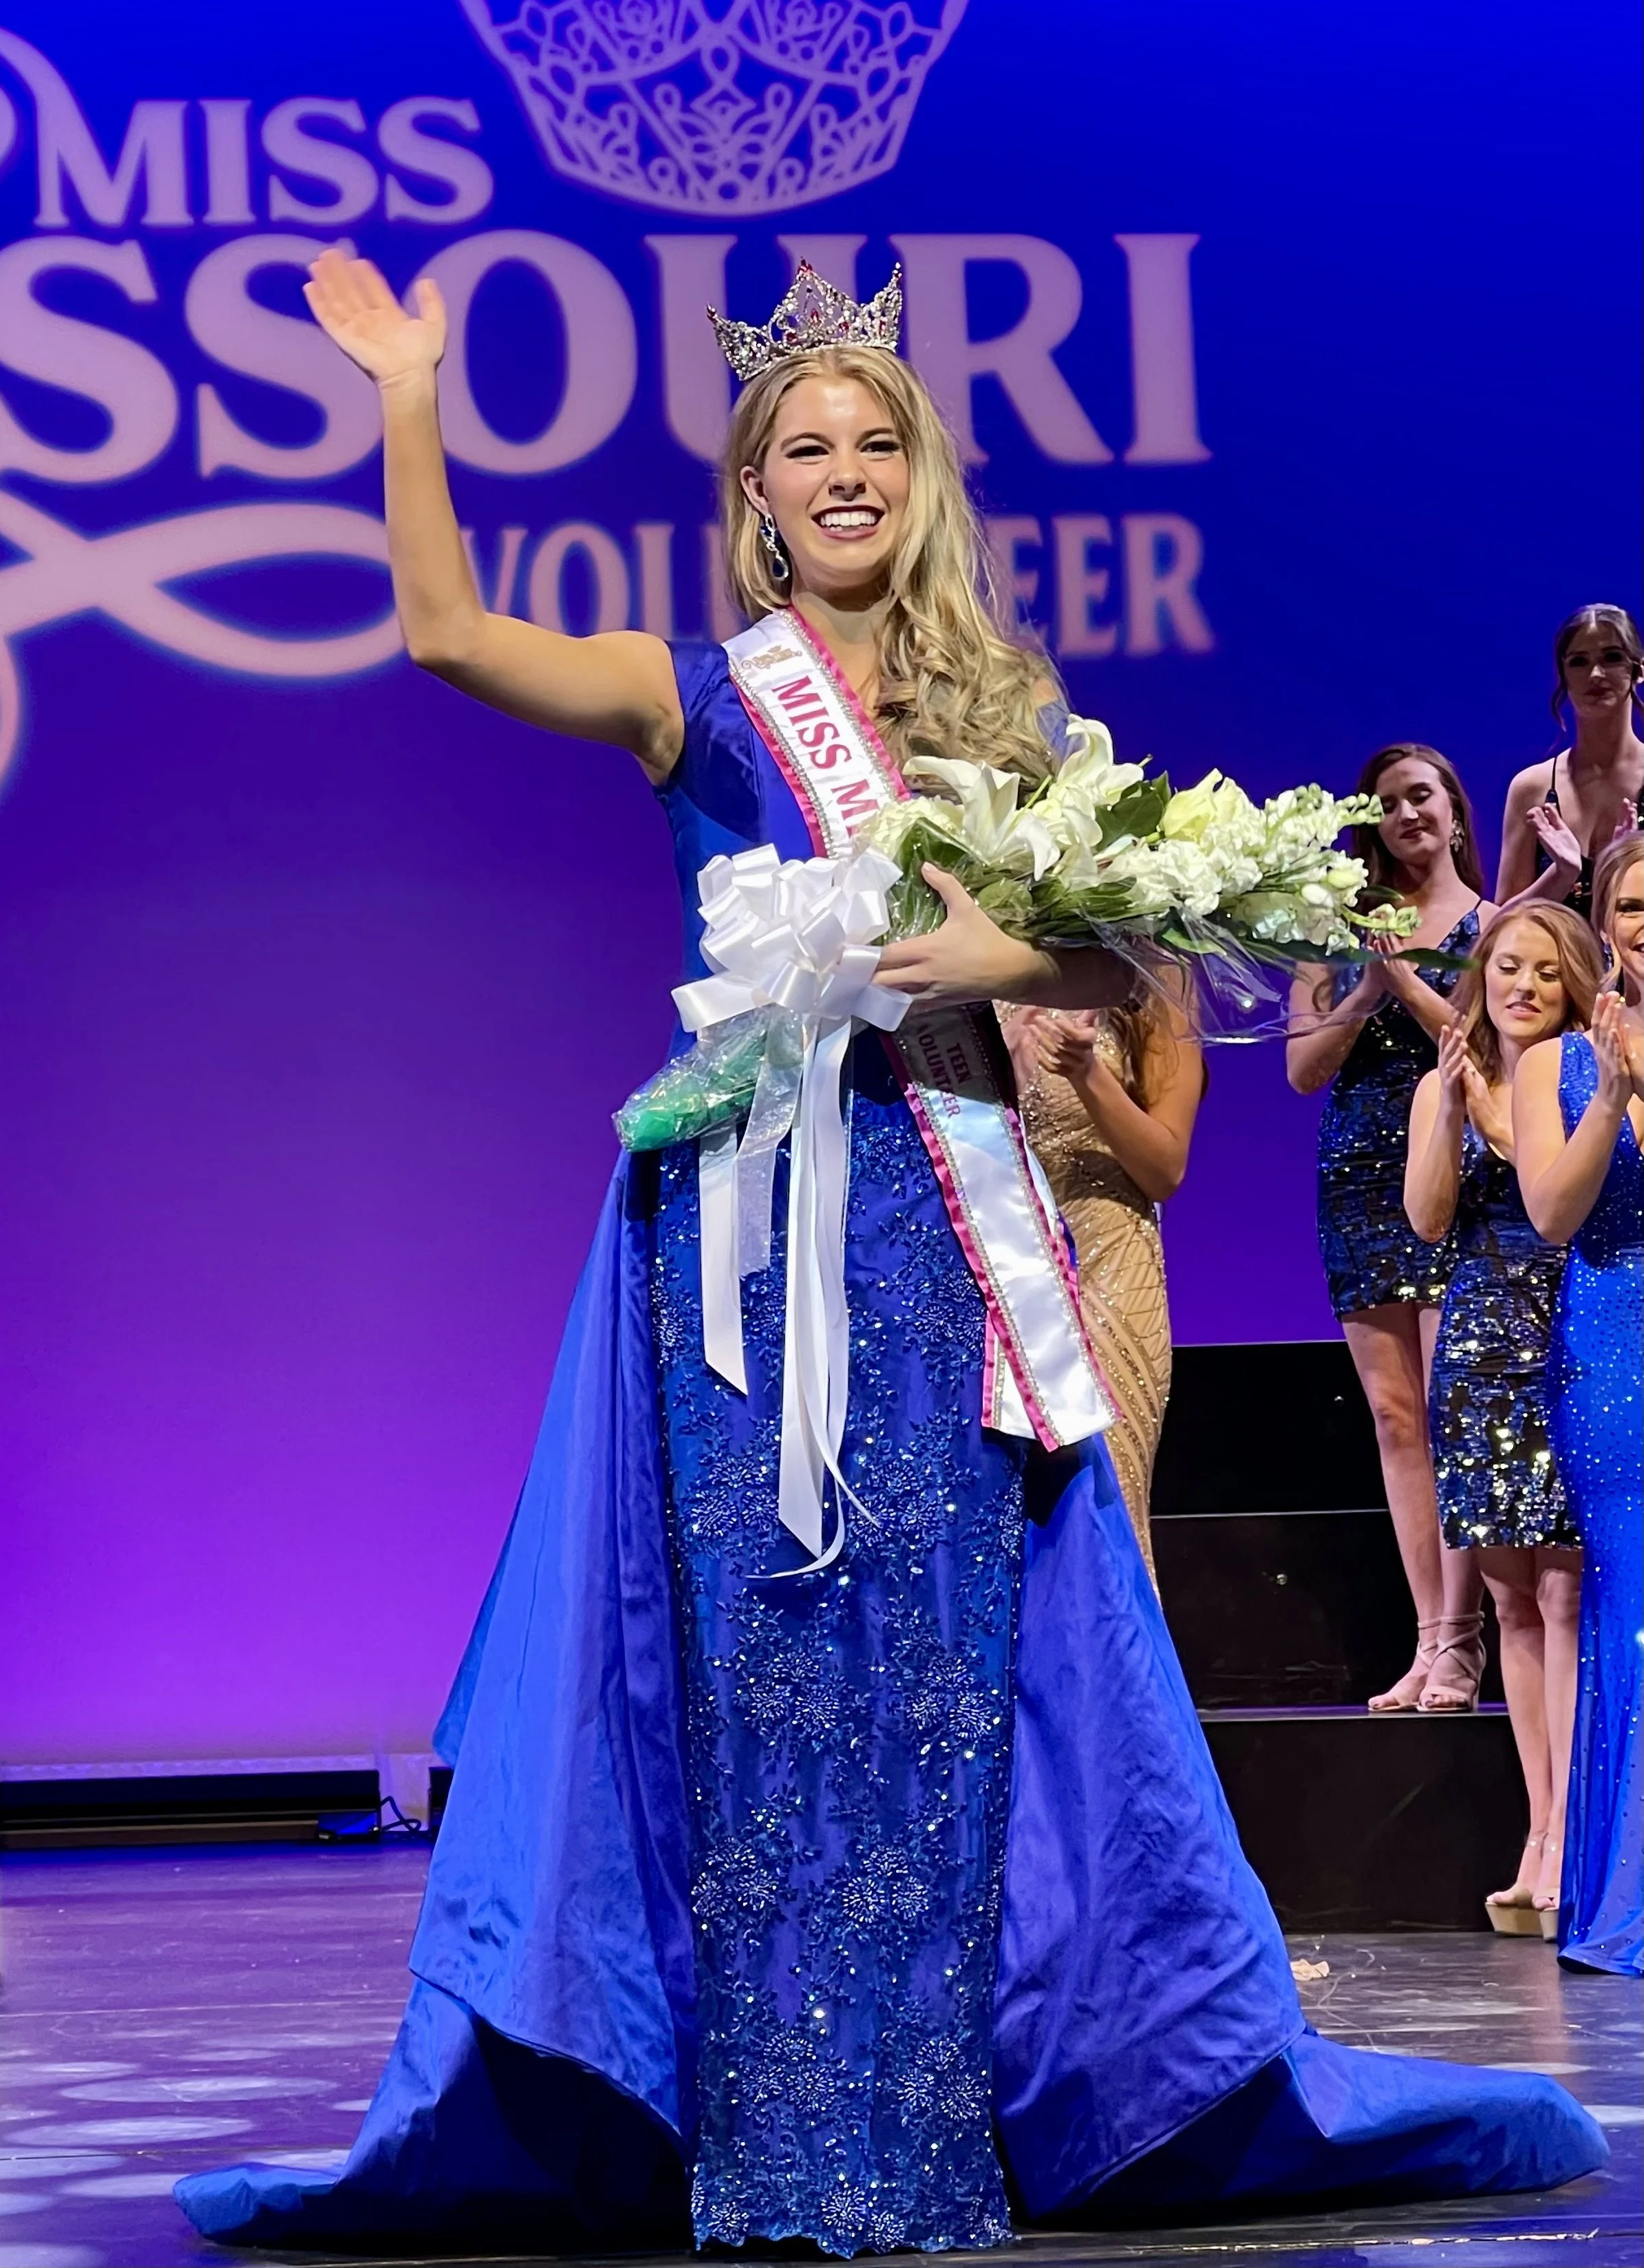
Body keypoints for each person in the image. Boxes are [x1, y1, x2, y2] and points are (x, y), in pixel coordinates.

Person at [176, 255, 1603, 2254]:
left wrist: (998, 951)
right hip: (742, 1255)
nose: (842, 475)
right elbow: (438, 630)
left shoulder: (1008, 728)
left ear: (916, 481)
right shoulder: (696, 693)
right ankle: (762, 2141)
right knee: (763, 1694)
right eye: (802, 449)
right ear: (754, 492)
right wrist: (410, 394)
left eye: (873, 444)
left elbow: (1117, 962)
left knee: (933, 1690)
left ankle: (921, 2132)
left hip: (936, 1238)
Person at [1404, 907, 1600, 1931]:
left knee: (1565, 1596)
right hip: (1480, 1352)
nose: (1521, 986)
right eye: (1505, 968)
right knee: (1512, 1604)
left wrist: (1491, 1110)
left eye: (1543, 973)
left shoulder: (1574, 1075)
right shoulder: (1444, 1082)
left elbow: (1546, 1203)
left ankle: (1576, 1830)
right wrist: (1447, 1109)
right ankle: (1535, 1827)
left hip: (1566, 1333)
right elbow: (1427, 1218)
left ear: (1573, 986)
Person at [1287, 748, 1494, 1714]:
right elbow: (1300, 1070)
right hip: (1357, 1175)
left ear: (1453, 810)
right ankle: (1427, 1640)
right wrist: (1363, 984)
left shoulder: (1497, 924)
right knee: (1394, 1415)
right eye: (1389, 802)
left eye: (1423, 795)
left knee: (1452, 1410)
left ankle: (1465, 1642)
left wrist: (1399, 972)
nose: (1407, 812)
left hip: (1447, 1169)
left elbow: (1467, 1032)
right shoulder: (1334, 928)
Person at [1515, 832, 1643, 1976]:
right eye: (1634, 904)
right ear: (1602, 920)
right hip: (1611, 1354)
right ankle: (1625, 1897)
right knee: (1626, 1606)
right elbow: (1554, 1215)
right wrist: (1611, 1093)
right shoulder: (1550, 1060)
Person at [1000, 994, 1203, 1565]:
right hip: (997, 1258)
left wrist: (1088, 1071)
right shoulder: (975, 954)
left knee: (1105, 1496)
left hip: (1110, 1268)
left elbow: (1165, 1170)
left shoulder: (1153, 977)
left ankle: (1115, 1656)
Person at [1496, 604, 1643, 920]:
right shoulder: (1532, 789)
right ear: (1563, 676)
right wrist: (1562, 873)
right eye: (1579, 662)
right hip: (1554, 967)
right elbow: (1503, 926)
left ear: (1638, 670)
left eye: (1612, 657)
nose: (1596, 674)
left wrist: (1619, 871)